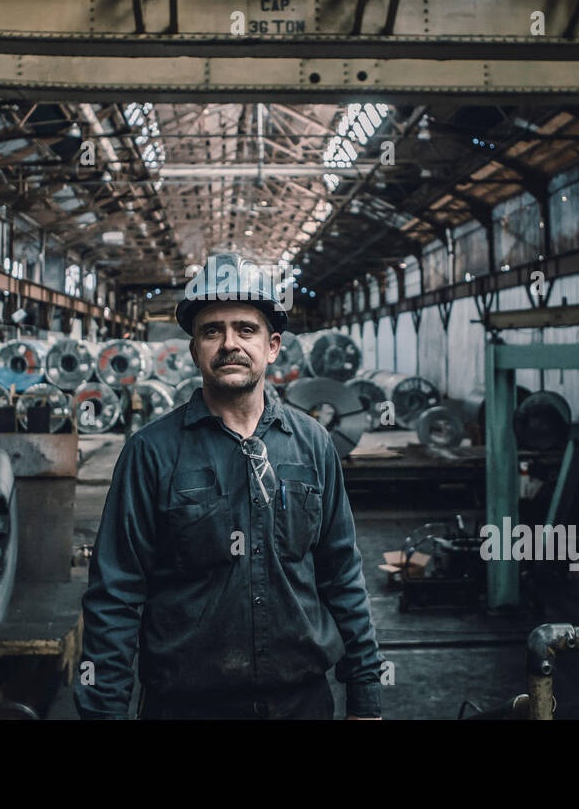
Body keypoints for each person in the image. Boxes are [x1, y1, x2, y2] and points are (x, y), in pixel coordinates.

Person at [75, 253, 383, 719]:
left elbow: (342, 575)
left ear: (273, 345)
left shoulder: (313, 444)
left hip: (300, 703)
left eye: (245, 329)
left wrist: (366, 696)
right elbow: (114, 597)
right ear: (195, 349)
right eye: (212, 331)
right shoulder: (151, 453)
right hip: (186, 706)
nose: (229, 344)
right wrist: (104, 711)